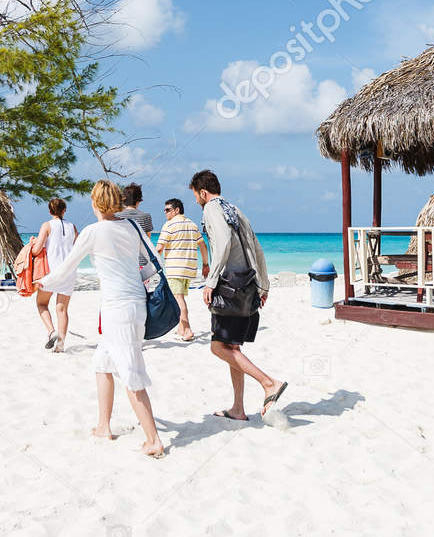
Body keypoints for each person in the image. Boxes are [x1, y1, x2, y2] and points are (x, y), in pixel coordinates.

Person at [38, 180, 166, 457]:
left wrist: (41, 281)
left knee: (131, 373)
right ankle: (103, 426)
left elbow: (66, 267)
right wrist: (134, 280)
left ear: (95, 203)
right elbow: (156, 262)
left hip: (117, 309)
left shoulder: (93, 232)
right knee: (102, 362)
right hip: (135, 304)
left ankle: (154, 440)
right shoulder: (131, 227)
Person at [190, 169, 286, 421]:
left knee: (218, 347)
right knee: (233, 347)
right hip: (248, 285)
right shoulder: (235, 209)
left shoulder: (211, 209)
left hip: (229, 287)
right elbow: (257, 248)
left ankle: (268, 383)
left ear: (202, 192)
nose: (196, 202)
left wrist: (210, 282)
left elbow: (222, 245)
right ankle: (238, 409)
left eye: (195, 197)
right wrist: (263, 284)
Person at [156, 198, 209, 341]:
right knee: (180, 297)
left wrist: (152, 264)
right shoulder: (192, 224)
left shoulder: (169, 225)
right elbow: (202, 245)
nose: (165, 213)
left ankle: (187, 329)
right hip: (189, 268)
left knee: (178, 298)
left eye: (167, 210)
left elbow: (160, 248)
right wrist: (205, 264)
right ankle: (180, 328)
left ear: (176, 210)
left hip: (175, 268)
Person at [33, 198, 79, 350]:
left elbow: (36, 250)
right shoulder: (72, 226)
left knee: (41, 303)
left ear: (50, 211)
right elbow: (78, 247)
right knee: (62, 309)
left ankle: (52, 331)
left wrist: (33, 242)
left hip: (51, 273)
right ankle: (61, 344)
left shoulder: (47, 225)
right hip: (69, 272)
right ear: (64, 210)